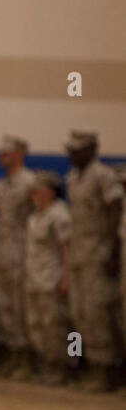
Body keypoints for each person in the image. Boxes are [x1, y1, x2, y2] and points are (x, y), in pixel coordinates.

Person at [64, 129, 123, 392]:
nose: (72, 154)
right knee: (81, 312)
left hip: (98, 253)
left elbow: (114, 212)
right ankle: (92, 364)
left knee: (99, 311)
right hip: (79, 253)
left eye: (77, 149)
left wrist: (112, 252)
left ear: (91, 149)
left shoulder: (104, 176)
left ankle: (108, 368)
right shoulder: (72, 178)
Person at [0, 135, 36, 377]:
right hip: (2, 252)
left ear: (19, 154)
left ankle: (27, 358)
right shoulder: (1, 185)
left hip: (21, 252)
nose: (1, 157)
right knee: (4, 307)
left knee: (20, 307)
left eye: (7, 153)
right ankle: (12, 354)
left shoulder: (30, 183)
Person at [24, 170, 72, 386]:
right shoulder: (35, 217)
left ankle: (65, 366)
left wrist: (66, 277)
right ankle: (46, 364)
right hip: (35, 278)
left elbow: (66, 248)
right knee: (37, 323)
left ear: (51, 192)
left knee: (57, 326)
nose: (34, 195)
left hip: (52, 278)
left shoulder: (59, 214)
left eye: (38, 191)